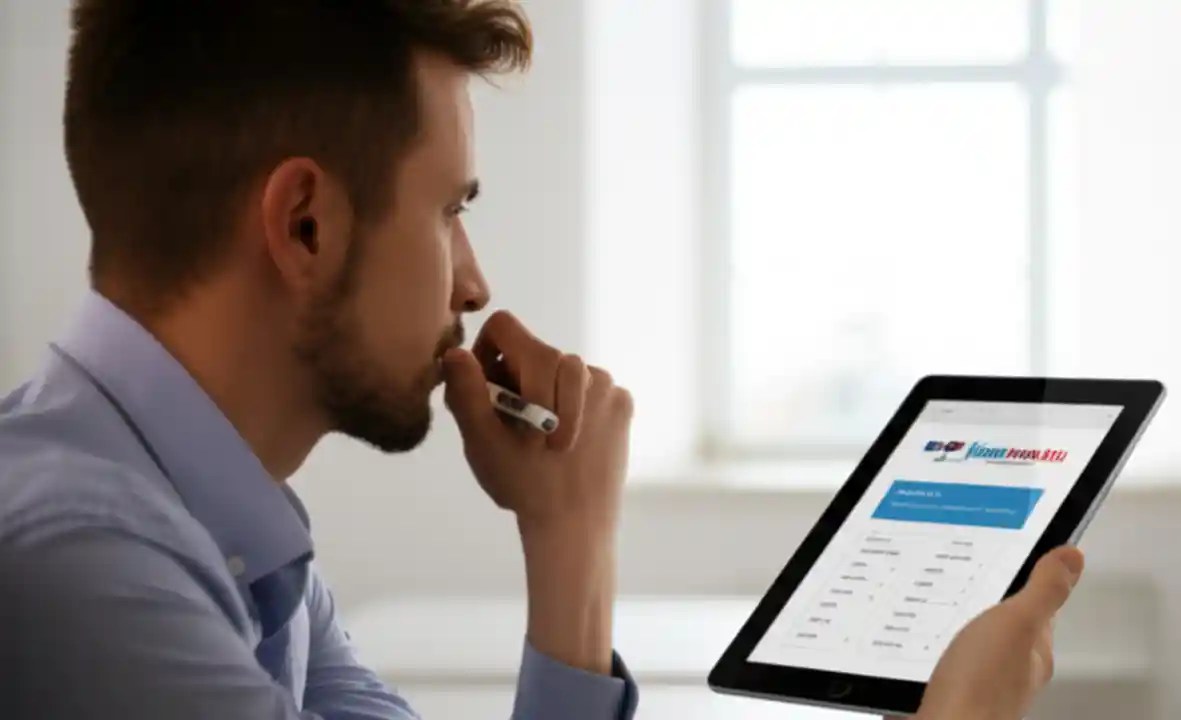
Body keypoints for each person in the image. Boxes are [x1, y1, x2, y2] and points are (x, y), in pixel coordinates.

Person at [0, 1, 1084, 718]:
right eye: (448, 211)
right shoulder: (80, 568)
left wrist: (566, 537)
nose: (472, 285)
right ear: (306, 226)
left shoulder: (225, 530)